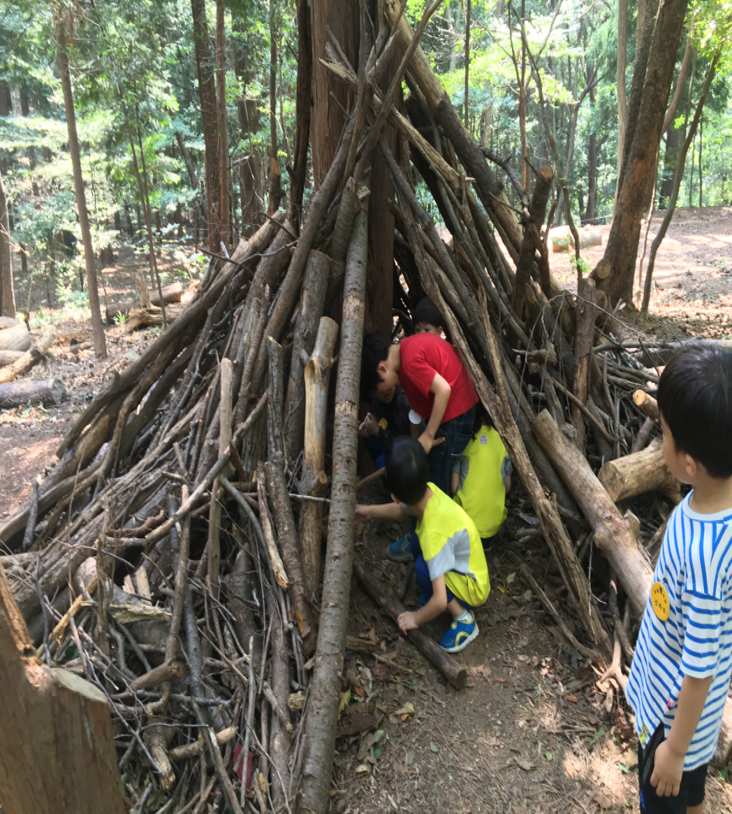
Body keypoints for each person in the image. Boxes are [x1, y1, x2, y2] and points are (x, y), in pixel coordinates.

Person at [626, 345, 732, 814]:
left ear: (689, 463)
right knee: (691, 798)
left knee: (667, 796)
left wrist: (672, 751)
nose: (660, 438)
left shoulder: (707, 555)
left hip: (675, 722)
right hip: (691, 721)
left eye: (664, 433)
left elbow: (699, 669)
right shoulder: (715, 502)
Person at [355, 437, 489, 653]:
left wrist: (415, 618)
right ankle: (448, 595)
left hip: (473, 587)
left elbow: (437, 601)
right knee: (419, 546)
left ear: (395, 495)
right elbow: (401, 511)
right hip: (468, 568)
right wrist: (369, 511)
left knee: (423, 568)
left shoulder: (433, 533)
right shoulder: (429, 491)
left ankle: (464, 619)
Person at [361, 331, 478, 560]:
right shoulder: (408, 350)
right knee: (430, 479)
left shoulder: (410, 360)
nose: (381, 392)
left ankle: (426, 543)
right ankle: (423, 534)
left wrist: (428, 434)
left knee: (432, 484)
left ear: (381, 369)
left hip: (455, 420)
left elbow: (443, 389)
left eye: (378, 388)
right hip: (455, 414)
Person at [451, 406, 512, 551]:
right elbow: (507, 487)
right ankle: (485, 546)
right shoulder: (502, 441)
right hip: (492, 526)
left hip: (465, 524)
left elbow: (454, 488)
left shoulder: (464, 441)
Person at [358, 382, 419, 476]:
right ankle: (389, 474)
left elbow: (401, 444)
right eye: (379, 385)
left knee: (381, 463)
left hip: (405, 451)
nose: (385, 389)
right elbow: (385, 421)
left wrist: (378, 431)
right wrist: (369, 424)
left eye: (386, 382)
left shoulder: (402, 401)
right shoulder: (378, 401)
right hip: (389, 440)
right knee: (368, 437)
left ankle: (394, 481)